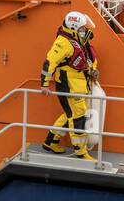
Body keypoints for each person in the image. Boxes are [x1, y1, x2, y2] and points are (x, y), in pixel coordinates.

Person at [40, 11, 98, 160]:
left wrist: (93, 71)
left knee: (69, 115)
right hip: (69, 85)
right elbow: (49, 63)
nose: (85, 30)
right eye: (83, 28)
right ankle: (80, 151)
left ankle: (50, 142)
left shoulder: (78, 39)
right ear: (74, 28)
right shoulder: (63, 43)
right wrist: (44, 84)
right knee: (79, 117)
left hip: (78, 84)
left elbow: (87, 58)